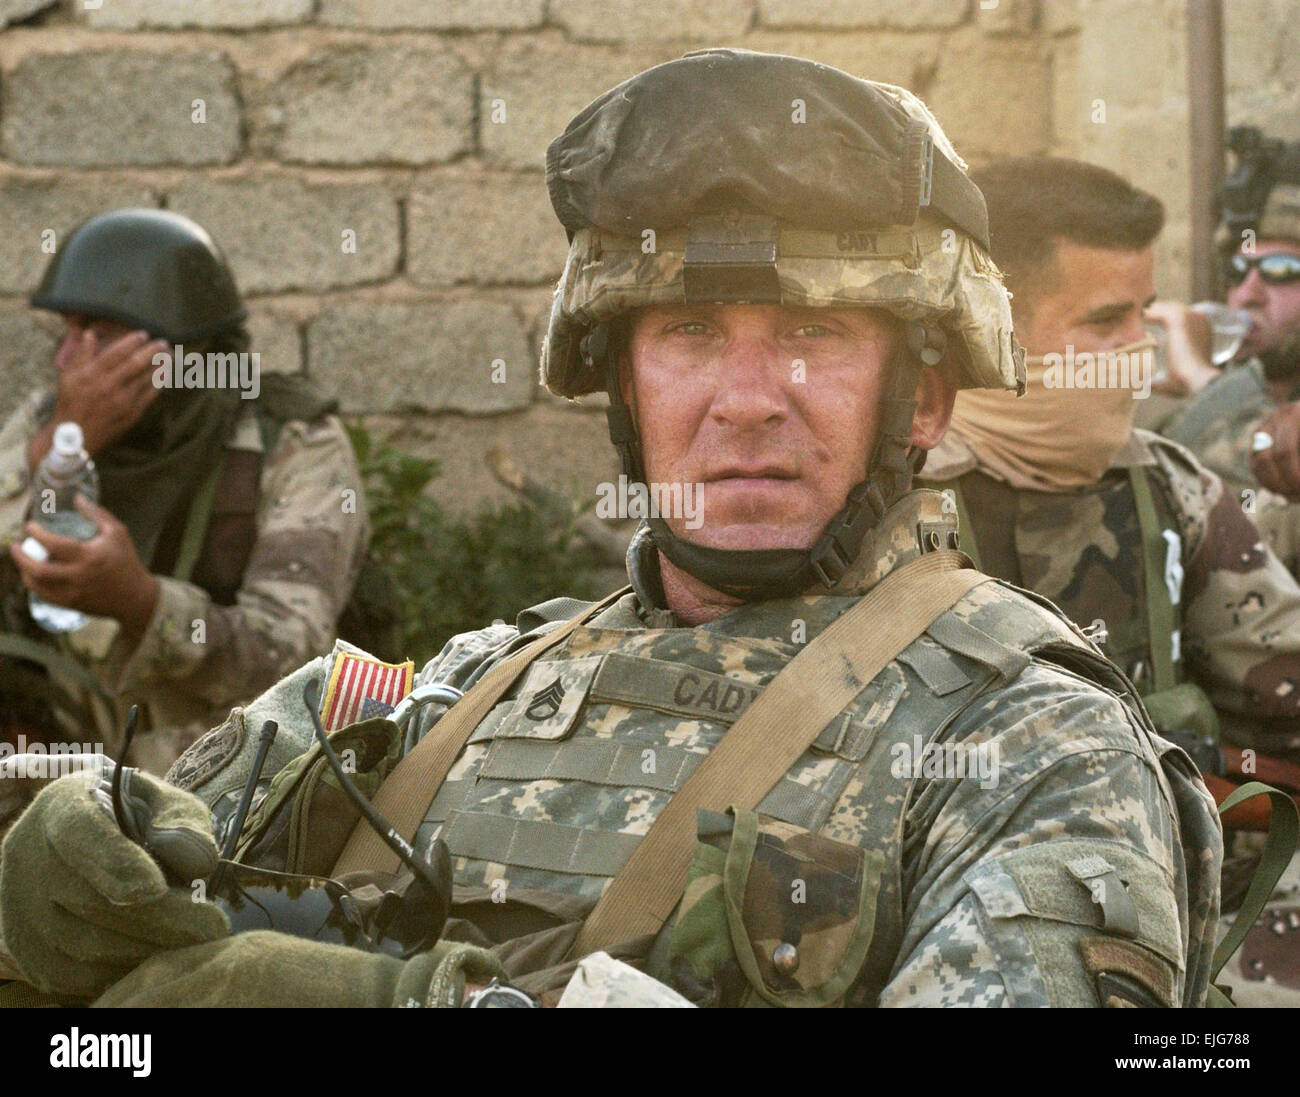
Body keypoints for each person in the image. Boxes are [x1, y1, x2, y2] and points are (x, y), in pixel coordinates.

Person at [0, 50, 1220, 1009]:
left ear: (928, 397)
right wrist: (48, 887)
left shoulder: (1034, 744)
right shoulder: (444, 697)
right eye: (689, 335)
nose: (748, 398)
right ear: (622, 387)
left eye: (816, 335)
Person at [917, 155, 1300, 1005]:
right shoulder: (886, 510)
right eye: (1102, 320)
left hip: (1186, 940)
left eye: (1142, 314)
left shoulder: (1168, 491)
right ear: (989, 326)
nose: (1138, 351)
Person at [0, 209, 370, 775]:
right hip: (57, 765)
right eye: (67, 332)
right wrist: (60, 450)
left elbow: (295, 660)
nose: (65, 359)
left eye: (97, 333)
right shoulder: (52, 419)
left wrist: (141, 603)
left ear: (179, 349)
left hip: (230, 779)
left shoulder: (295, 442)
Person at [1156, 129, 1300, 575]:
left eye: (1280, 270)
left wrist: (1205, 385)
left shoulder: (1212, 398)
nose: (1246, 294)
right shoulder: (1196, 413)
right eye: (1237, 269)